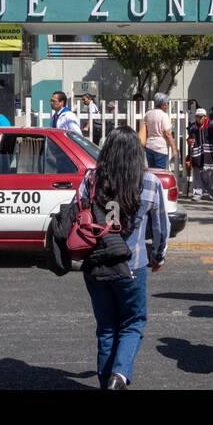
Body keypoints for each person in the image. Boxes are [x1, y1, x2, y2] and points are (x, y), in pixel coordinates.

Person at [78, 125, 169, 389]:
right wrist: (159, 256)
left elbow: (80, 216)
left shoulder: (91, 180)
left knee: (106, 326)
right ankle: (119, 375)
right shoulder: (149, 182)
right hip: (132, 265)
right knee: (133, 322)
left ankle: (107, 380)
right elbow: (161, 228)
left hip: (96, 263)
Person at [186, 107, 213, 200]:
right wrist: (189, 141)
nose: (200, 119)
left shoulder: (210, 125)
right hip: (197, 154)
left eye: (202, 117)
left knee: (210, 173)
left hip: (209, 153)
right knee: (197, 173)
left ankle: (211, 192)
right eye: (198, 117)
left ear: (205, 117)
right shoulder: (193, 127)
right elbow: (189, 138)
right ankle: (198, 193)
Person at [138, 92, 177, 171]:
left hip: (149, 146)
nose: (167, 106)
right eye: (167, 103)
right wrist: (174, 148)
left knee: (152, 172)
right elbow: (168, 134)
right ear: (163, 104)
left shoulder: (148, 114)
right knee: (160, 173)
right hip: (160, 148)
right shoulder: (164, 115)